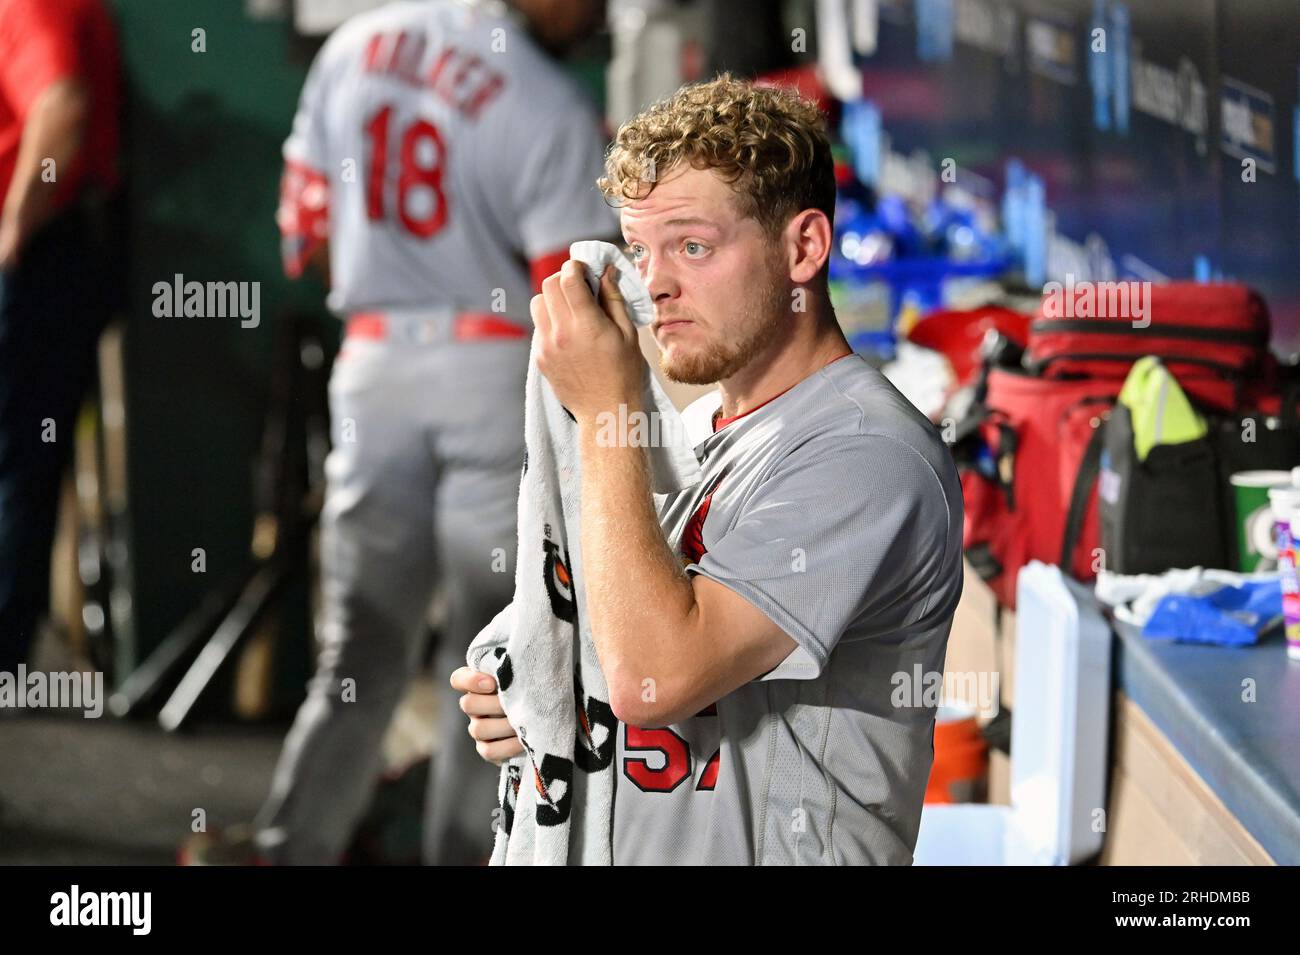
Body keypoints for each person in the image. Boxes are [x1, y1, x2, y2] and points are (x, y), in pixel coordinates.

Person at [452, 75, 965, 864]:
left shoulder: (869, 456)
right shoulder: (693, 435)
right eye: (639, 250)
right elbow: (613, 653)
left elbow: (654, 679)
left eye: (692, 246)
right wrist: (534, 693)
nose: (654, 284)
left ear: (804, 248)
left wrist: (604, 414)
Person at [182, 0, 615, 865]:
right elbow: (567, 303)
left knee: (361, 642)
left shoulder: (351, 45)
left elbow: (300, 234)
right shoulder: (548, 98)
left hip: (374, 368)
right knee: (491, 649)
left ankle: (293, 842)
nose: (593, 13)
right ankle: (463, 852)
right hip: (494, 376)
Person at [0, 0, 119, 676]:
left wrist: (14, 230)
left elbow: (62, 105)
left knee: (18, 464)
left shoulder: (33, 3)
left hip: (44, 254)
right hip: (53, 252)